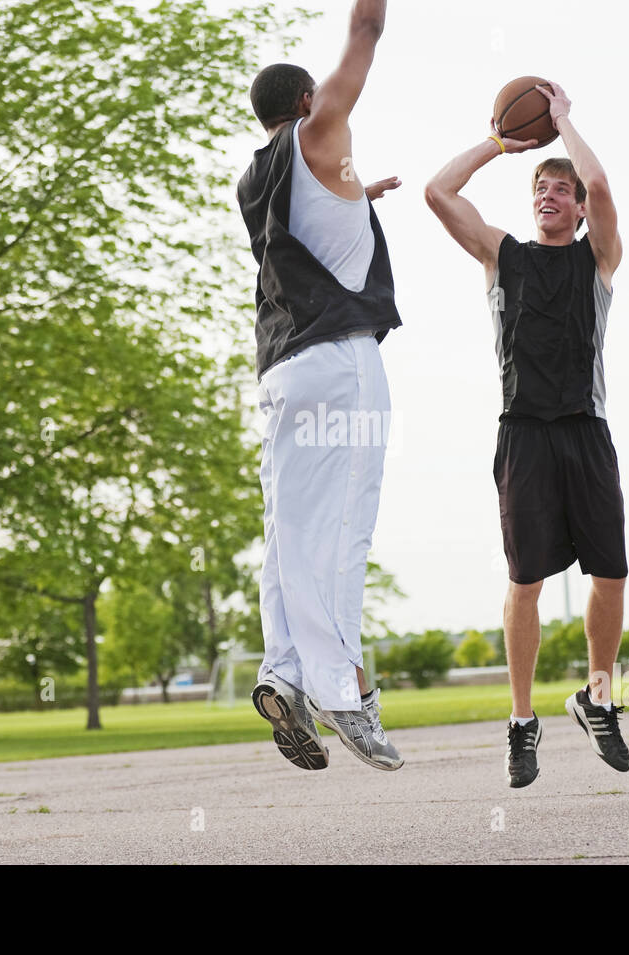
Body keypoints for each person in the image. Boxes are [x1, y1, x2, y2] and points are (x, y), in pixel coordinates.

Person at [424, 82, 629, 788]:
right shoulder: (500, 256)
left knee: (612, 574)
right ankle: (522, 723)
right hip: (524, 436)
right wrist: (501, 143)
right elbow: (437, 192)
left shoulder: (597, 260)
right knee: (526, 580)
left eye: (558, 189)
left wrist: (564, 122)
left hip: (585, 429)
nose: (547, 194)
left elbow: (599, 179)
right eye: (539, 187)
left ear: (575, 208)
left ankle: (597, 696)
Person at [237, 0, 405, 772]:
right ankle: (344, 691)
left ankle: (283, 675)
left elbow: (304, 232)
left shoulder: (253, 180)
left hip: (279, 371)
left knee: (288, 535)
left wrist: (360, 200)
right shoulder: (319, 133)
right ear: (305, 103)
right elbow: (365, 32)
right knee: (342, 531)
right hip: (341, 361)